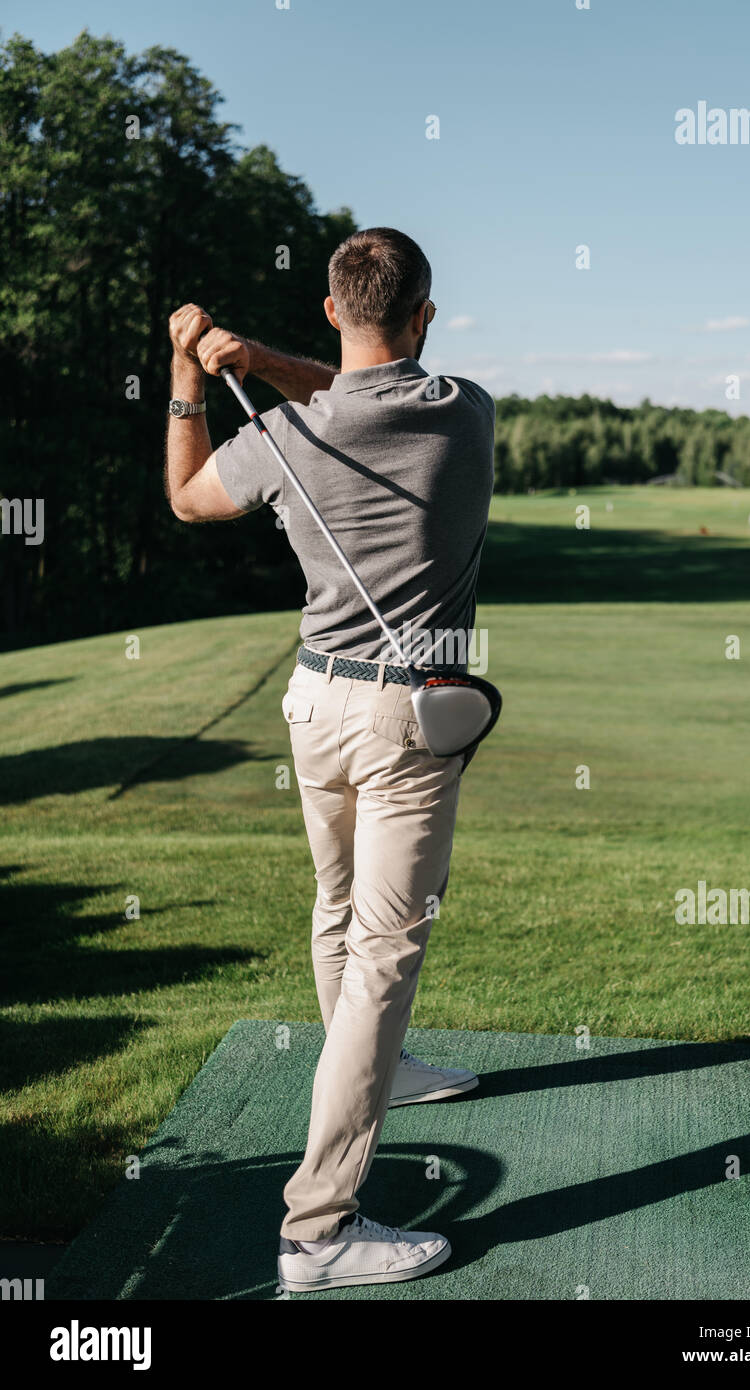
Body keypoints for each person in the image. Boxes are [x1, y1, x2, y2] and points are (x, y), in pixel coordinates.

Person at [165, 227, 495, 1291]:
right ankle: (318, 1229)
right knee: (386, 953)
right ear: (427, 315)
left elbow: (187, 496)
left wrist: (194, 375)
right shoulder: (463, 411)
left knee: (337, 904)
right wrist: (260, 363)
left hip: (313, 700)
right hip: (408, 721)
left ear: (327, 309)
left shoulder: (292, 435)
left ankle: (384, 1074)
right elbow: (363, 383)